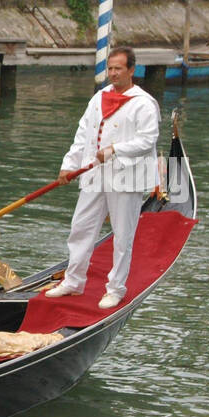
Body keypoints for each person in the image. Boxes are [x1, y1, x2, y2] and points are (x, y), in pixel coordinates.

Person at [45, 46, 160, 310]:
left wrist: (115, 149)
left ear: (131, 70)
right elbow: (83, 133)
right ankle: (73, 280)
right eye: (110, 68)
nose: (113, 73)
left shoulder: (144, 103)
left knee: (122, 235)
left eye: (118, 68)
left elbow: (147, 140)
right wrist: (69, 164)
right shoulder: (98, 98)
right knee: (80, 227)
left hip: (126, 177)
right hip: (95, 173)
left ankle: (116, 288)